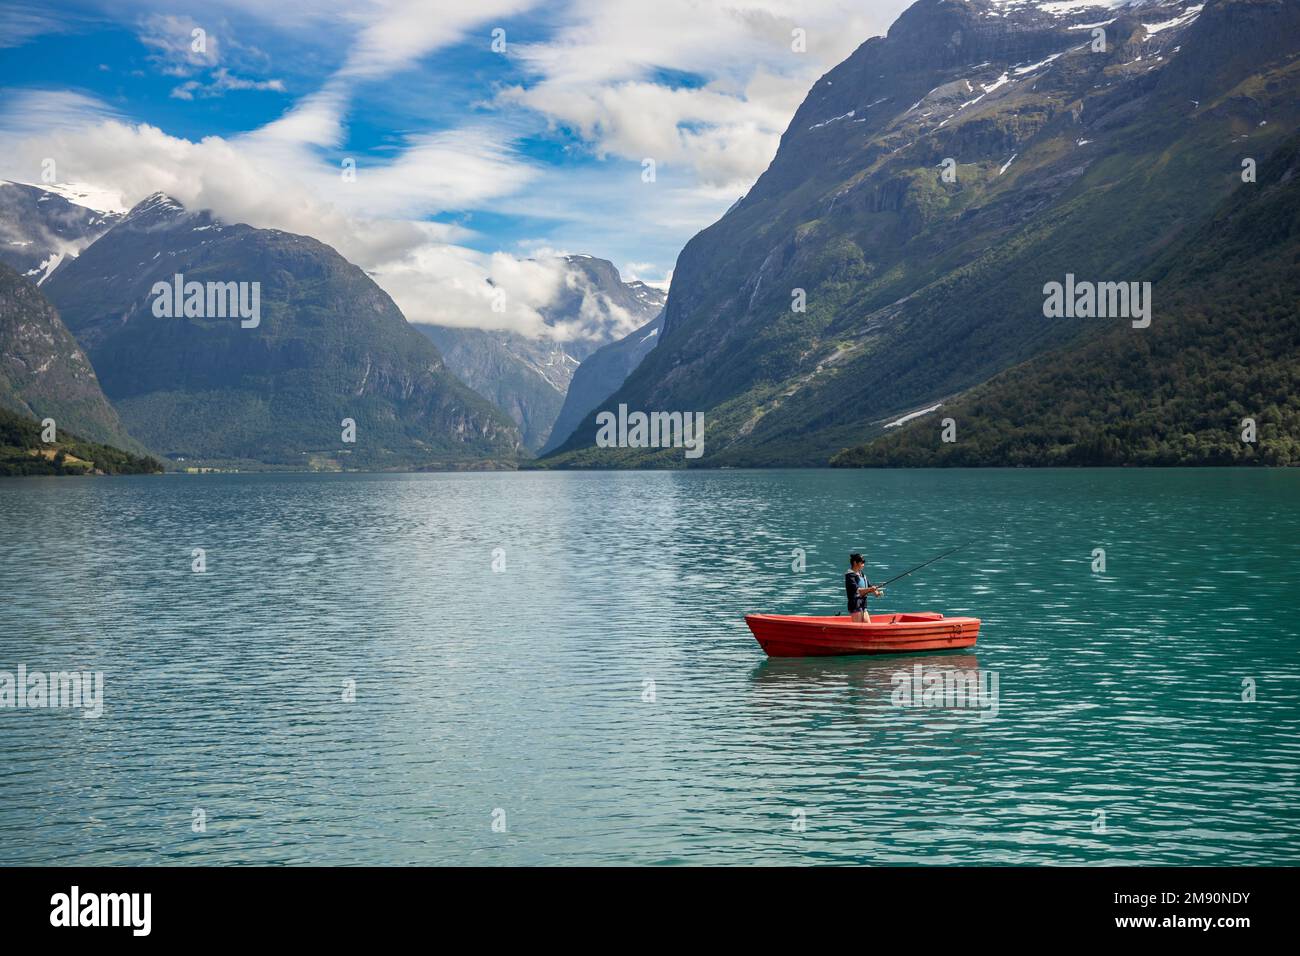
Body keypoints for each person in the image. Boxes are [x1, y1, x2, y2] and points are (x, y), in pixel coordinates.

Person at [845, 553, 884, 622]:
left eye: (864, 562)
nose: (863, 564)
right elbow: (858, 590)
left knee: (868, 624)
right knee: (857, 628)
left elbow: (869, 586)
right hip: (855, 605)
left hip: (863, 604)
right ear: (855, 563)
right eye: (862, 562)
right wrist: (870, 589)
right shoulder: (850, 576)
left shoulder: (862, 574)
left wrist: (876, 592)